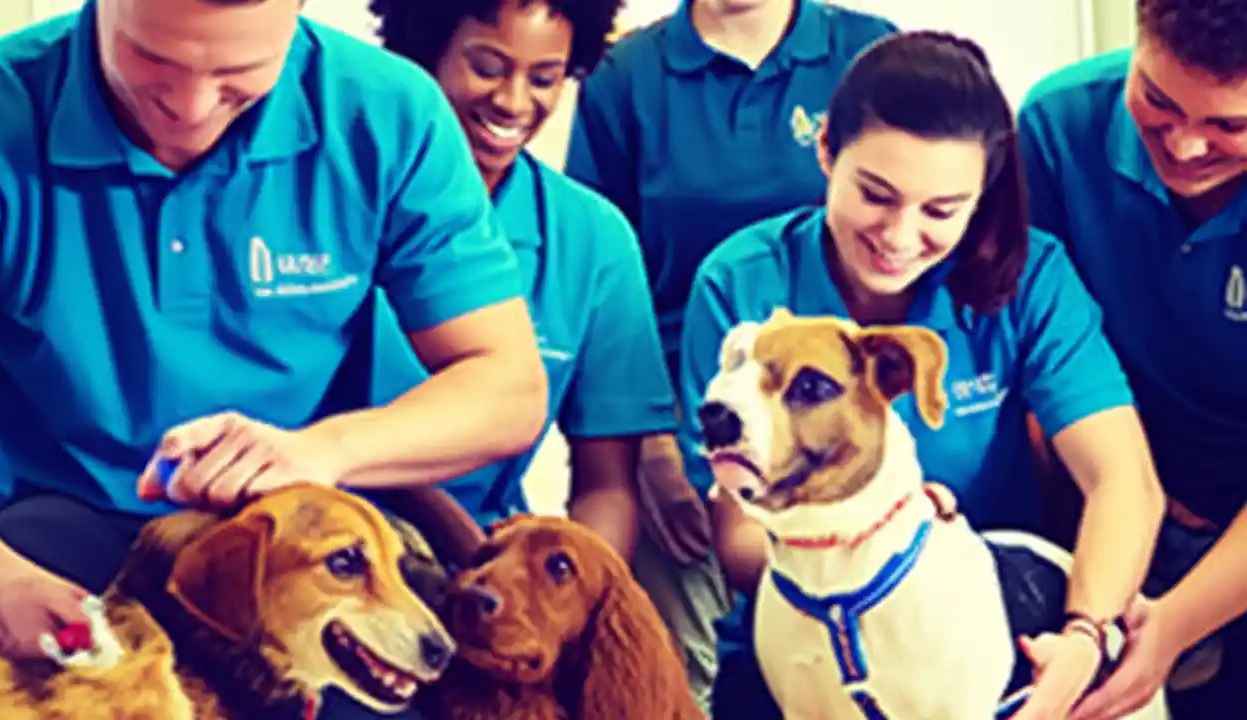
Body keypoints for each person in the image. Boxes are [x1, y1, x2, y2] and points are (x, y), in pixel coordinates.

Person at [0, 2, 548, 719]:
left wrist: (323, 449)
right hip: (53, 529)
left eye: (239, 80)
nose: (190, 109)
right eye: (155, 63)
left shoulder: (386, 114)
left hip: (295, 540)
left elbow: (509, 385)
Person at [678, 31, 1167, 719]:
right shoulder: (745, 285)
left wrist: (1085, 635)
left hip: (984, 647)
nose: (901, 236)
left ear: (980, 198)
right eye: (876, 195)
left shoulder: (1029, 279)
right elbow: (739, 537)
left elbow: (1124, 483)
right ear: (825, 150)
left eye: (942, 210)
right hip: (797, 644)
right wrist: (882, 531)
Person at [564, 0, 899, 709]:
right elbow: (603, 272)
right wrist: (652, 442)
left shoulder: (865, 51)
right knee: (680, 680)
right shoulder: (626, 74)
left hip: (827, 431)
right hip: (681, 430)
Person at [365, 0, 675, 556]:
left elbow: (606, 487)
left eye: (544, 78)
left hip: (491, 570)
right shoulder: (344, 197)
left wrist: (576, 610)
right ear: (426, 53)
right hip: (329, 550)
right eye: (486, 68)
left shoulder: (592, 237)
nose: (512, 102)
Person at [1018, 1, 1247, 717]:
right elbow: (1034, 350)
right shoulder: (1056, 127)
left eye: (1229, 125)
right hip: (1103, 511)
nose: (1183, 146)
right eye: (1157, 99)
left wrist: (1175, 624)